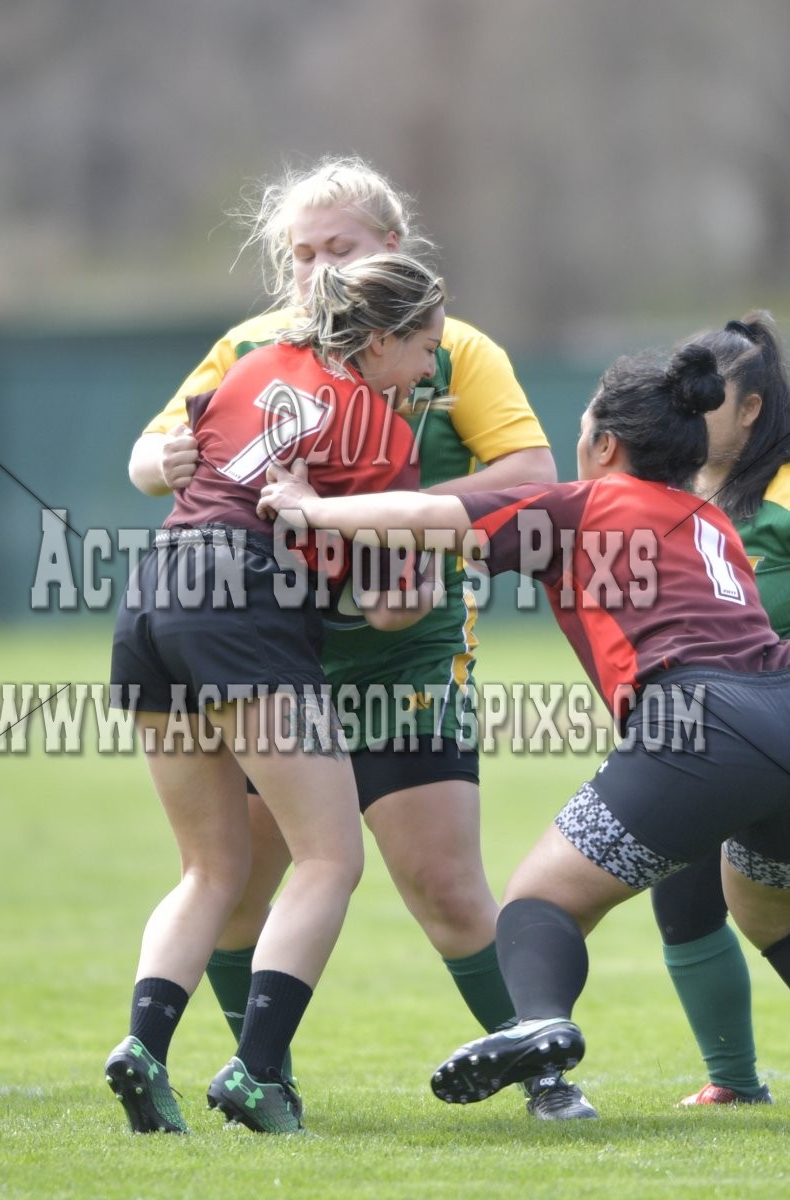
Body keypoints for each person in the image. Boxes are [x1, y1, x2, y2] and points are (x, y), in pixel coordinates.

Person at [129, 158, 596, 1121]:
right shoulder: (252, 345)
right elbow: (151, 457)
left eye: (336, 247)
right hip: (268, 647)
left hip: (401, 650)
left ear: (391, 247)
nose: (314, 267)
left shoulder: (451, 345)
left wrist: (401, 515)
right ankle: (265, 1069)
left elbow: (530, 473)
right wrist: (161, 456)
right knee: (244, 881)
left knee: (444, 884)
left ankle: (541, 1075)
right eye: (299, 252)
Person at [257, 336, 790, 1114]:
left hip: (700, 720)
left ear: (605, 444)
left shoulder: (587, 503)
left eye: (581, 430)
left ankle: (541, 1023)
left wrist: (311, 509)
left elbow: (428, 516)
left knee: (541, 900)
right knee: (764, 903)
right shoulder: (713, 524)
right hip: (778, 706)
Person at [104, 252, 446, 1136]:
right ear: (377, 342)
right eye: (423, 346)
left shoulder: (252, 362)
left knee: (210, 868)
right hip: (245, 602)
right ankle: (256, 1072)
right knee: (330, 858)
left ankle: (142, 1048)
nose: (430, 366)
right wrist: (422, 583)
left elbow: (181, 465)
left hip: (154, 592)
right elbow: (383, 604)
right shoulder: (384, 433)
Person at [650, 312, 790, 1105]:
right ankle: (733, 1082)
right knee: (683, 893)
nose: (688, 413)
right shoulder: (668, 490)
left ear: (752, 410)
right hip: (703, 727)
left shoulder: (784, 492)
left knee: (770, 907)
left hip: (778, 719)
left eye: (709, 399)